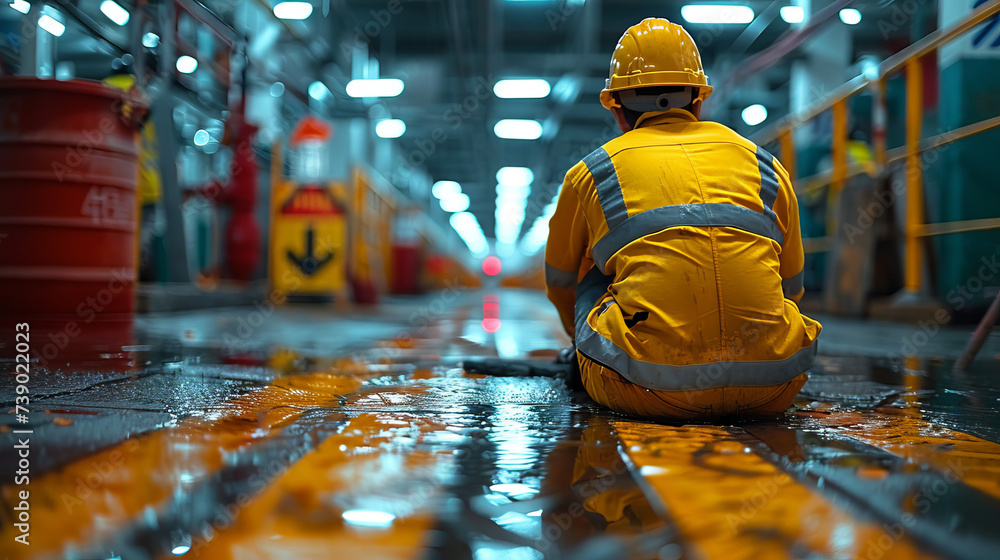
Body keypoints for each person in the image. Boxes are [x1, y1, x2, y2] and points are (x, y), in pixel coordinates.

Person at [544, 18, 822, 421]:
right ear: (698, 101)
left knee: (590, 274)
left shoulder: (592, 172)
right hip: (775, 384)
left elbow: (560, 282)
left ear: (617, 110)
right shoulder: (764, 164)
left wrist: (580, 345)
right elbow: (791, 284)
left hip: (646, 389)